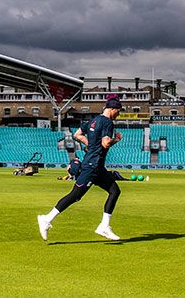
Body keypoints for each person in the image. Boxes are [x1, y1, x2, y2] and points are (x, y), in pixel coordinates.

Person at [37, 96, 125, 242]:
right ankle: (46, 219)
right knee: (75, 195)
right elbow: (106, 143)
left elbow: (77, 134)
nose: (118, 115)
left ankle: (104, 226)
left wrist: (91, 144)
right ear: (112, 109)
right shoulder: (108, 122)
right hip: (92, 166)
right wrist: (116, 139)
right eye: (118, 111)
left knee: (115, 191)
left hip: (97, 166)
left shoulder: (93, 120)